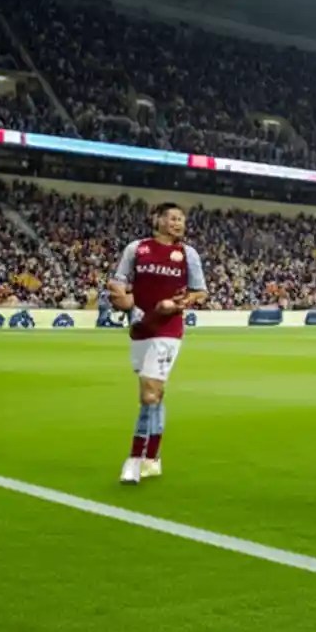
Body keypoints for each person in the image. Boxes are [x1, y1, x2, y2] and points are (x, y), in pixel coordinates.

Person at [109, 202, 208, 485]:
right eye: (173, 218)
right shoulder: (136, 249)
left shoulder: (187, 254)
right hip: (141, 328)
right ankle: (153, 458)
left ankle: (134, 460)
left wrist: (179, 303)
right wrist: (123, 301)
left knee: (149, 395)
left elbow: (200, 292)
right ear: (158, 220)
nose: (178, 223)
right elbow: (117, 283)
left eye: (182, 219)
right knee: (155, 395)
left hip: (169, 329)